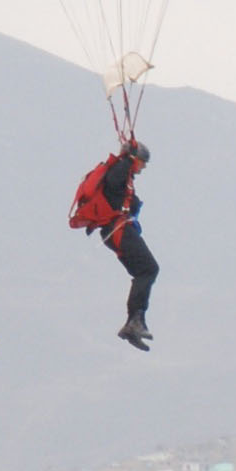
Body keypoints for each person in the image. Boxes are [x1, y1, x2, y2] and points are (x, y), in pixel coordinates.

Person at [94, 139, 157, 350]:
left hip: (117, 230)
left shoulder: (123, 174)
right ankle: (135, 322)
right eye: (142, 162)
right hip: (118, 230)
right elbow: (114, 183)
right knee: (148, 269)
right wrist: (128, 158)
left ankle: (135, 322)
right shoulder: (120, 171)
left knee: (144, 271)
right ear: (134, 159)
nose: (144, 167)